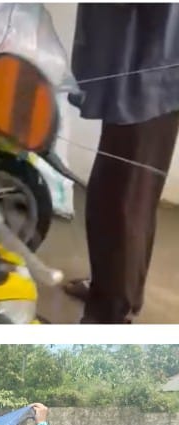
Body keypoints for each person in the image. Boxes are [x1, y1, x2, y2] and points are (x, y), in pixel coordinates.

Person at [62, 4, 179, 323]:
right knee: (113, 194)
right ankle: (110, 291)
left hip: (150, 69)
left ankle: (110, 317)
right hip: (134, 61)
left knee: (125, 203)